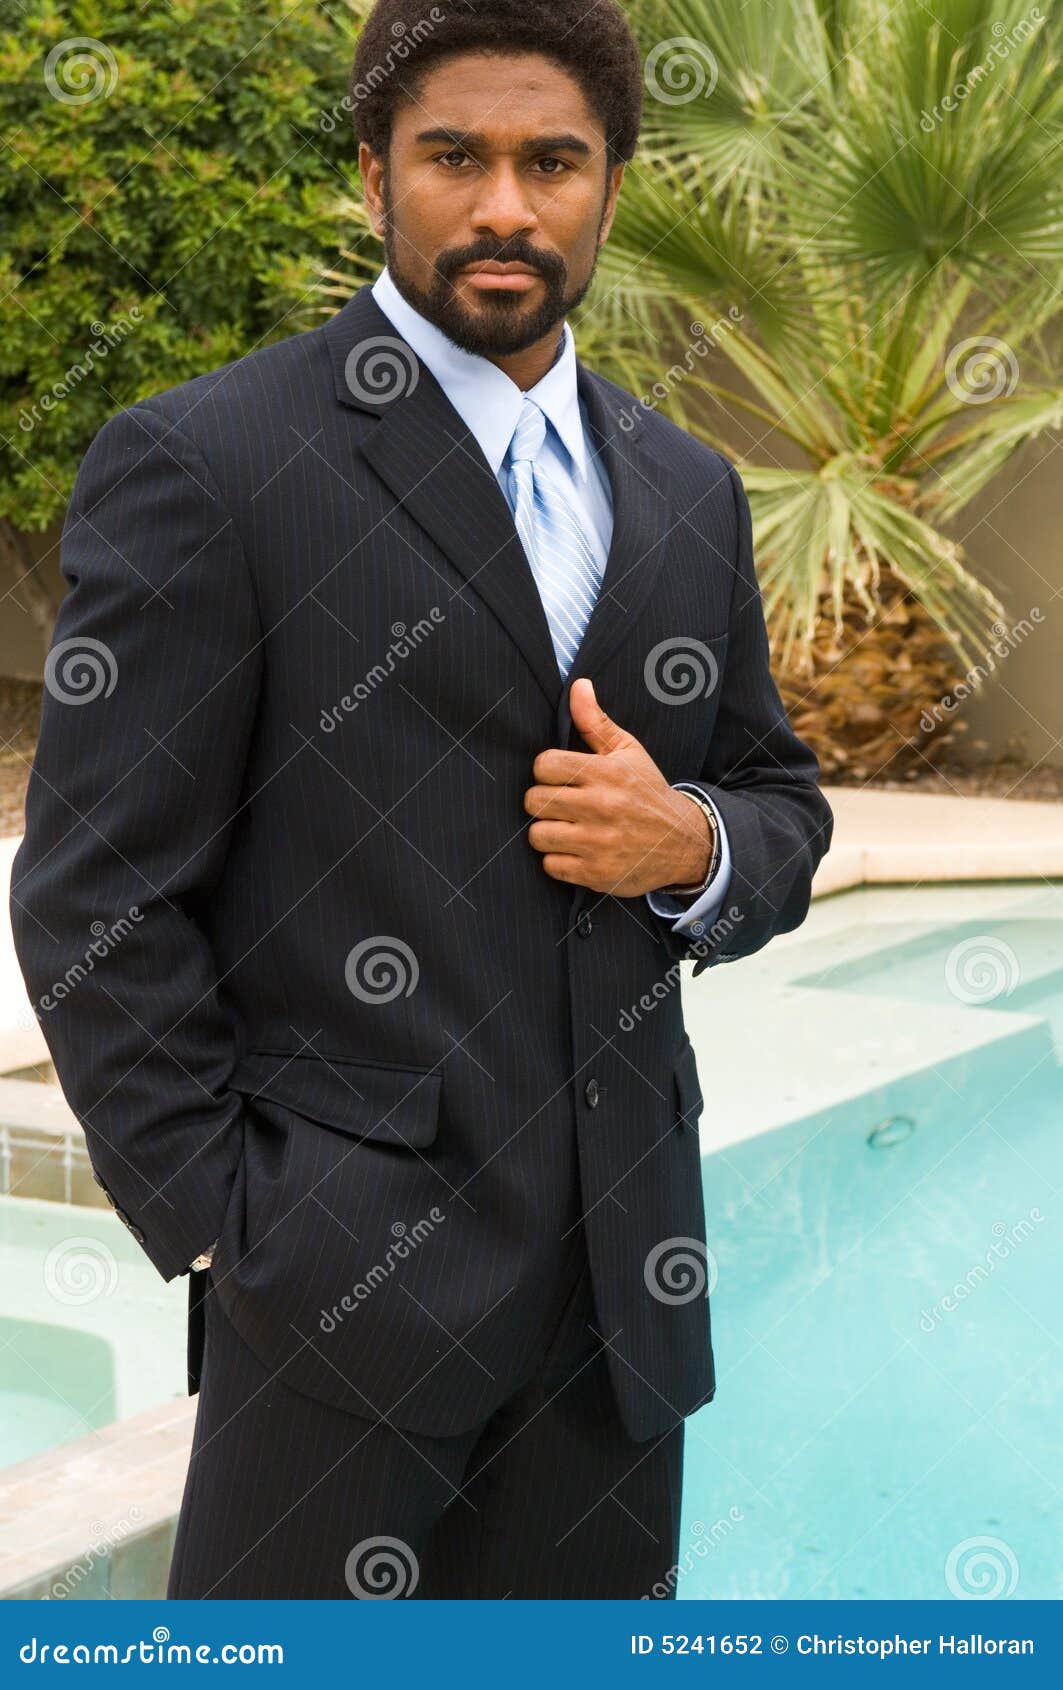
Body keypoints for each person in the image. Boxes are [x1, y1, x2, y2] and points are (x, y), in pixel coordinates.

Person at [11, 0, 833, 1599]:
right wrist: (231, 1229)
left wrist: (699, 846)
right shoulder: (212, 463)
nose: (507, 204)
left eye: (554, 160)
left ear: (612, 184)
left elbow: (778, 798)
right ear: (378, 177)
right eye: (456, 156)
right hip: (336, 1316)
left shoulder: (687, 491)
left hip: (623, 1304)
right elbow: (93, 894)